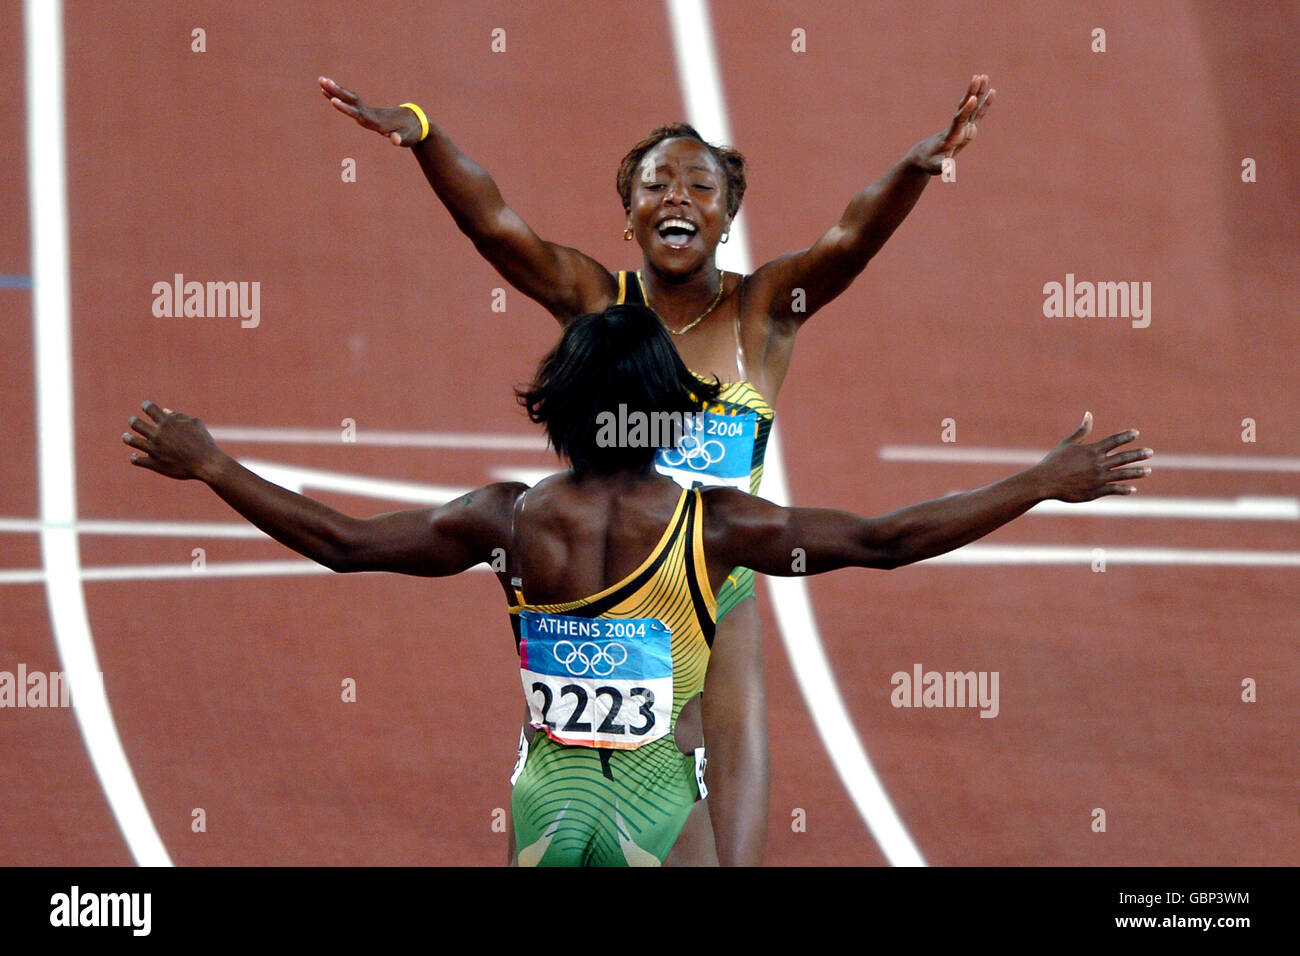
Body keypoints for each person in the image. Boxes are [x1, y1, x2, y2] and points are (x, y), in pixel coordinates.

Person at [124, 303, 1151, 866]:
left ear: (561, 406)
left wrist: (216, 465)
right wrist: (1038, 482)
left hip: (541, 804)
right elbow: (883, 540)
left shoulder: (508, 517)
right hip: (658, 808)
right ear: (669, 411)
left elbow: (343, 543)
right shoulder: (713, 530)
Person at [318, 71, 995, 865]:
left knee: (733, 855)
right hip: (606, 601)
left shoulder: (765, 310)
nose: (677, 198)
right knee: (587, 808)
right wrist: (425, 137)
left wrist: (915, 168)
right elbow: (497, 227)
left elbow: (850, 240)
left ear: (729, 213)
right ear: (630, 214)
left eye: (699, 185)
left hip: (715, 582)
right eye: (656, 185)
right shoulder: (597, 300)